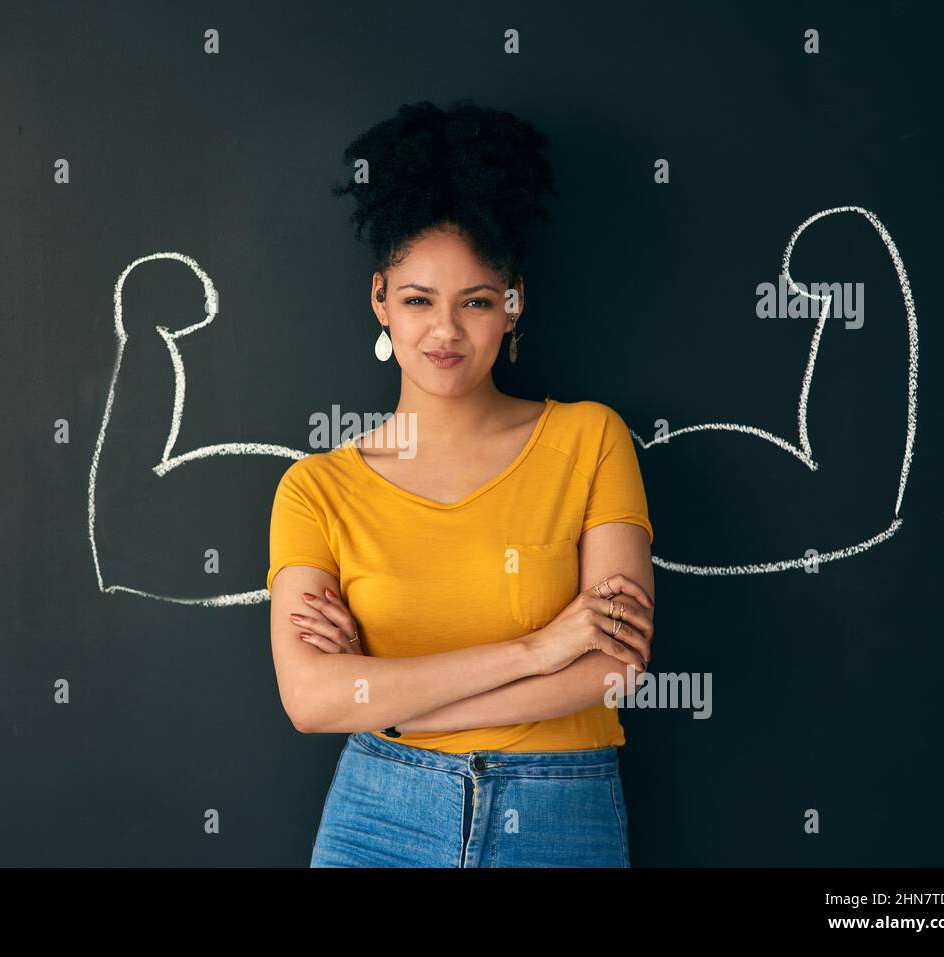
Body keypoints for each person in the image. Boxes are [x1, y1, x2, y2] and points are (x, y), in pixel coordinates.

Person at [266, 99, 656, 867]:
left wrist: (393, 702)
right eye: (418, 300)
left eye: (475, 301)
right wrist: (539, 649)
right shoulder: (315, 489)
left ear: (513, 304)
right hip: (378, 815)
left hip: (556, 813)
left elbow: (615, 665)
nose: (445, 331)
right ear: (380, 299)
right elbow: (311, 699)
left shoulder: (590, 439)